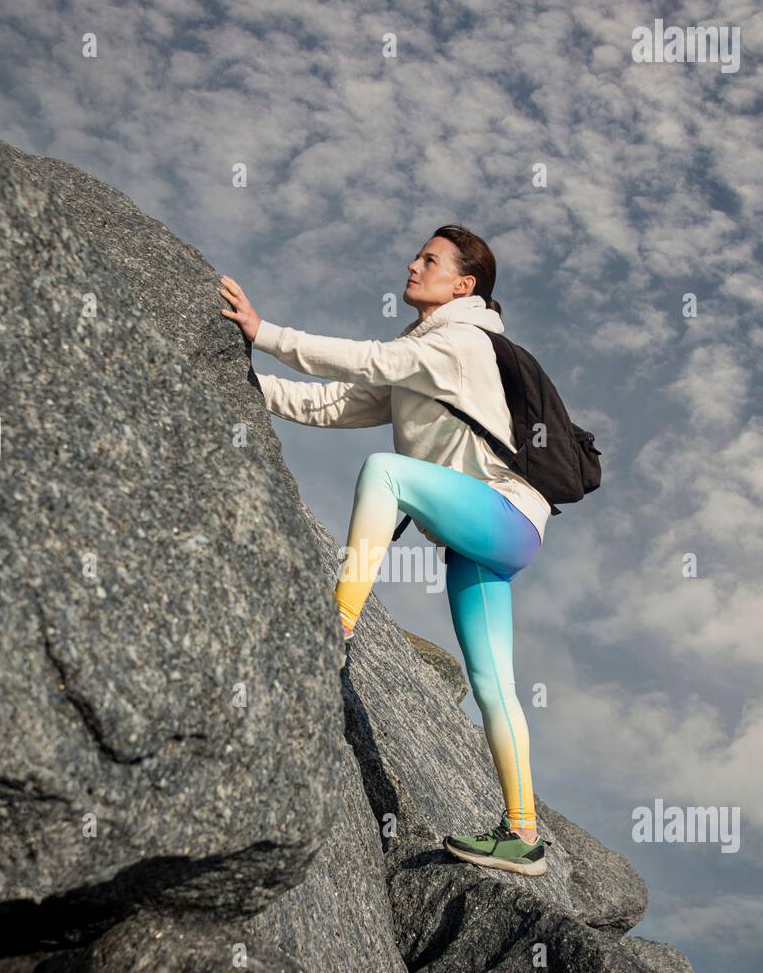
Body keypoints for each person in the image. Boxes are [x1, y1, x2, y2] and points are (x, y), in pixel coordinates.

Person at [219, 225, 552, 876]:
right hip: (488, 537)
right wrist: (251, 386)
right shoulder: (423, 352)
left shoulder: (459, 342)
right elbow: (339, 403)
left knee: (386, 473)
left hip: (503, 515)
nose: (411, 264)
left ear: (463, 285)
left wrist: (264, 333)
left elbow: (365, 363)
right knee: (492, 684)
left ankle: (336, 627)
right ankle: (523, 835)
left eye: (429, 260)